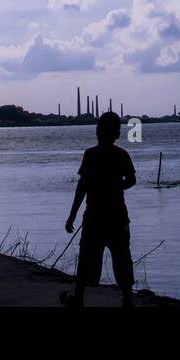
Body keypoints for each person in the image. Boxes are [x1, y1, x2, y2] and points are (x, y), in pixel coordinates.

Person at [62, 111, 136, 307]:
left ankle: (79, 297)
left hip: (95, 216)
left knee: (87, 258)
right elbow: (131, 180)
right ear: (118, 134)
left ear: (98, 132)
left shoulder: (91, 155)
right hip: (117, 217)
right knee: (121, 258)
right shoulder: (121, 155)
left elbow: (82, 187)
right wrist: (117, 186)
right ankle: (127, 299)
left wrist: (72, 215)